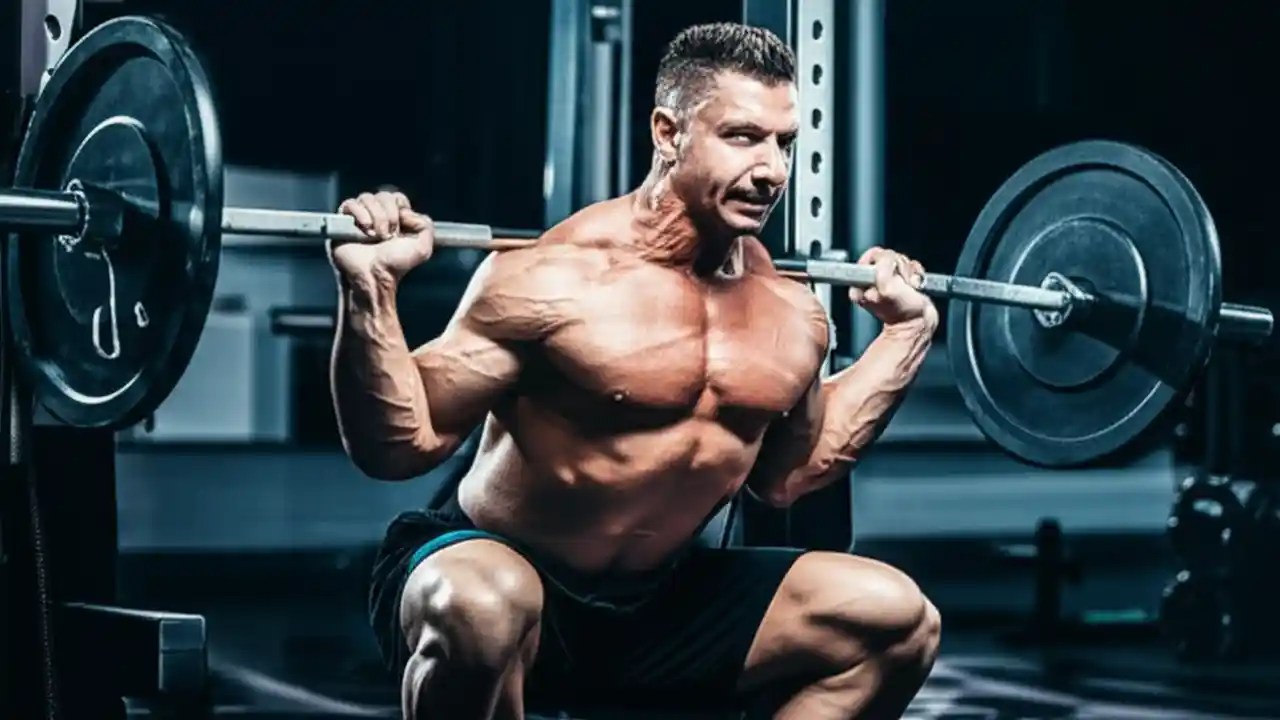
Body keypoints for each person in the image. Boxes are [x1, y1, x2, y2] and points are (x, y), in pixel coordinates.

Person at [330, 22, 940, 720]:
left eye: (785, 142)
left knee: (896, 620)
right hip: (498, 574)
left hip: (658, 602)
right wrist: (368, 293)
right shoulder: (551, 278)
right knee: (483, 604)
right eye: (742, 136)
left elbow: (788, 475)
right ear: (667, 132)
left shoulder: (792, 313)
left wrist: (908, 332)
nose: (772, 169)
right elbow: (398, 445)